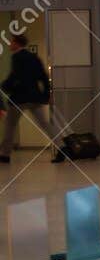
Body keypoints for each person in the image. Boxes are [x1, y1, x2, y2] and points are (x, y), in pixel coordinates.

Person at [0, 33, 65, 164]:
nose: (10, 44)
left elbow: (15, 76)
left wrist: (4, 86)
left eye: (12, 42)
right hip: (35, 97)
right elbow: (43, 76)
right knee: (45, 124)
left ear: (17, 43)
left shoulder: (17, 57)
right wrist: (46, 95)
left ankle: (5, 154)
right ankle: (62, 147)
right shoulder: (34, 57)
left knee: (10, 125)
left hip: (19, 98)